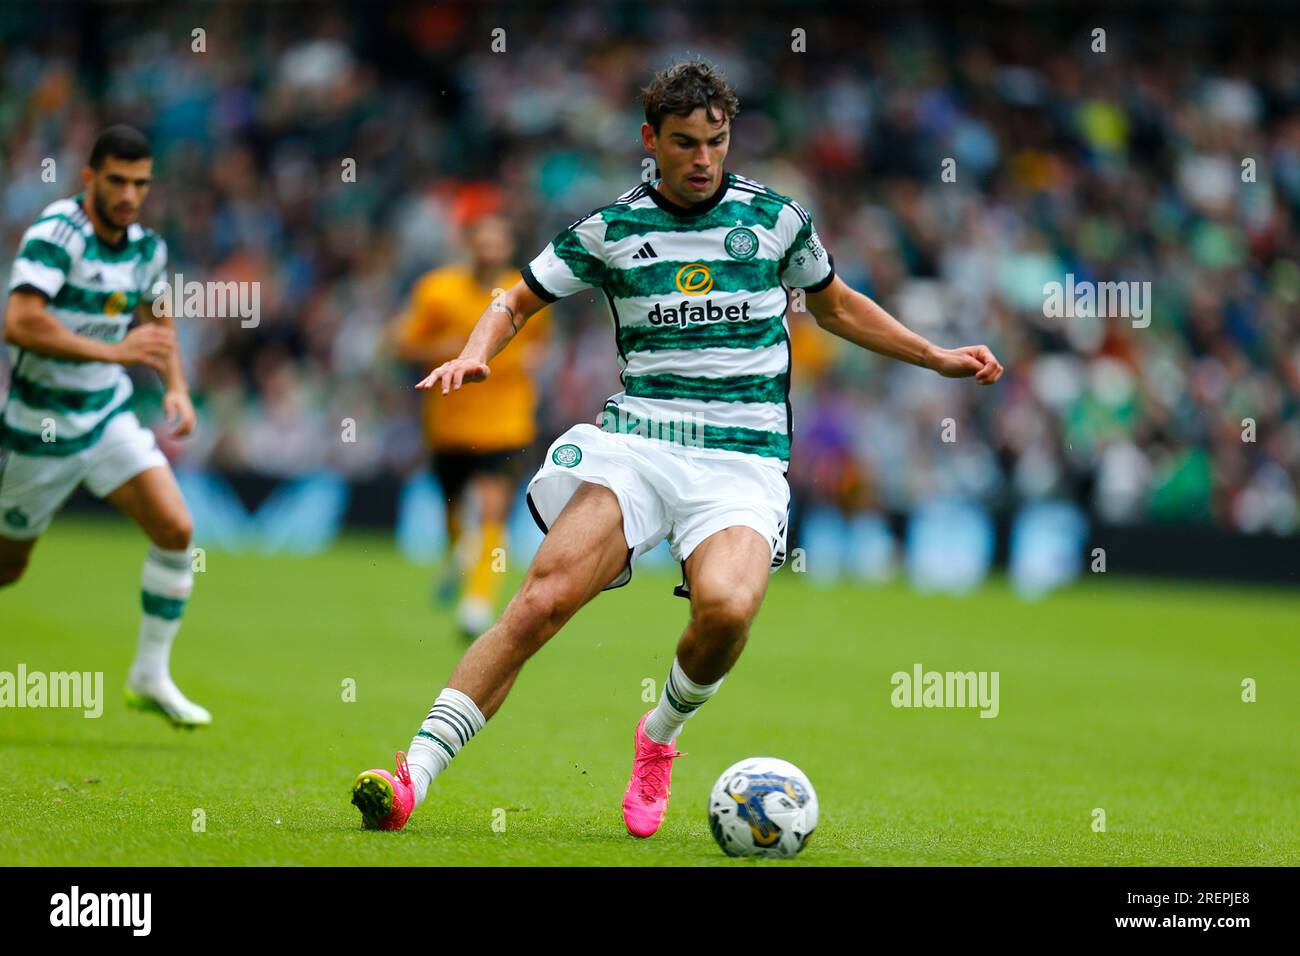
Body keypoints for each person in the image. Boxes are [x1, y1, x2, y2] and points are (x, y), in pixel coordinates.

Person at [352, 60, 1002, 835]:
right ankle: (410, 778)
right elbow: (516, 296)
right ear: (649, 140)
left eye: (716, 142)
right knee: (542, 600)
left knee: (727, 609)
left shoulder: (776, 220)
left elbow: (836, 308)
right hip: (640, 444)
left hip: (742, 459)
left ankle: (658, 737)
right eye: (685, 143)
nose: (703, 160)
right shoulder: (612, 230)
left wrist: (933, 355)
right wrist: (475, 348)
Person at [0, 125, 209, 728]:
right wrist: (115, 354)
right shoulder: (55, 234)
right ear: (90, 177)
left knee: (174, 528)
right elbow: (19, 322)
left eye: (140, 183)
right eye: (117, 180)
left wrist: (177, 386)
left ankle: (149, 674)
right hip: (38, 427)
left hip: (106, 417)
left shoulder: (146, 249)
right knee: (9, 568)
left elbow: (156, 320)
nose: (129, 195)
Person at [394, 213, 549, 637]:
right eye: (482, 242)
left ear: (507, 249)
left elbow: (538, 348)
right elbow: (402, 343)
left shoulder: (524, 292)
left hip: (506, 424)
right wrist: (439, 348)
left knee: (490, 508)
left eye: (497, 244)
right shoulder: (437, 290)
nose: (489, 251)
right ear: (469, 244)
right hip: (449, 423)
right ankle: (459, 557)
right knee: (452, 511)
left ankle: (478, 601)